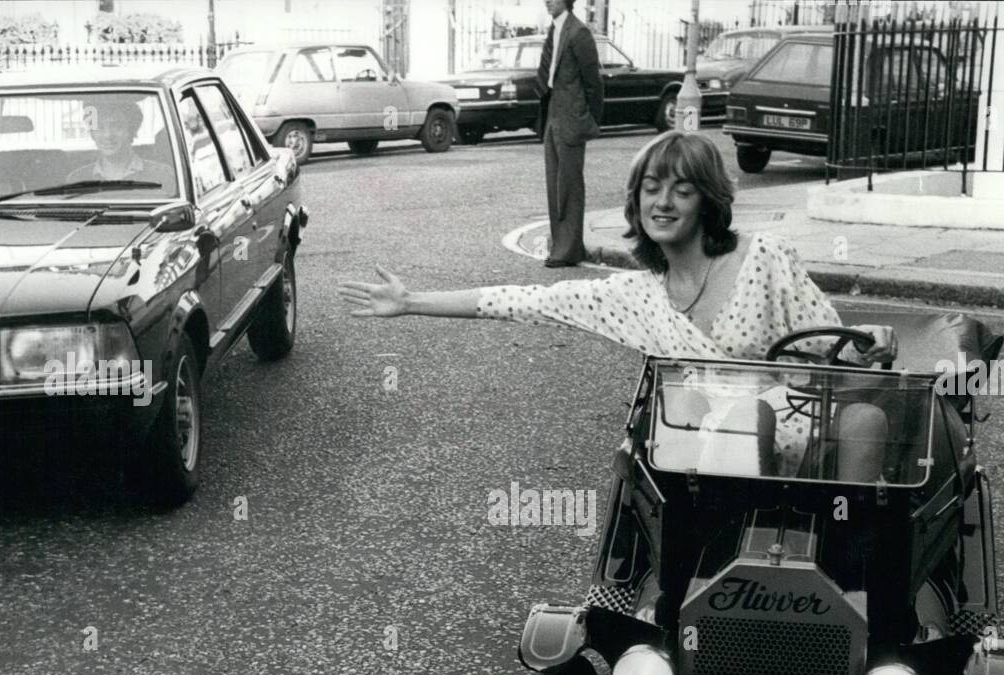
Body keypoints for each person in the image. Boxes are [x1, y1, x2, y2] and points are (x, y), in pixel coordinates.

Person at [339, 130, 899, 481]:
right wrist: (412, 301)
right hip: (705, 462)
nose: (663, 202)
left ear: (708, 201)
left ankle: (856, 579)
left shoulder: (765, 256)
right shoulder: (632, 296)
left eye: (682, 189)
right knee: (739, 419)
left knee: (867, 418)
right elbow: (525, 300)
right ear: (635, 202)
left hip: (800, 440)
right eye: (651, 188)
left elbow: (830, 342)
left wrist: (872, 338)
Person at [536, 0, 604, 268]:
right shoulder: (554, 30)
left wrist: (590, 120)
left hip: (572, 117)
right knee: (554, 184)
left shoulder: (579, 33)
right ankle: (562, 246)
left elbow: (593, 82)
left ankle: (567, 251)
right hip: (553, 113)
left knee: (569, 185)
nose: (548, 1)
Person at [66, 98, 171, 186]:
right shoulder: (77, 179)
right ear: (92, 133)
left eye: (116, 126)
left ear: (131, 129)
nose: (108, 135)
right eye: (100, 127)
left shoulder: (162, 175)